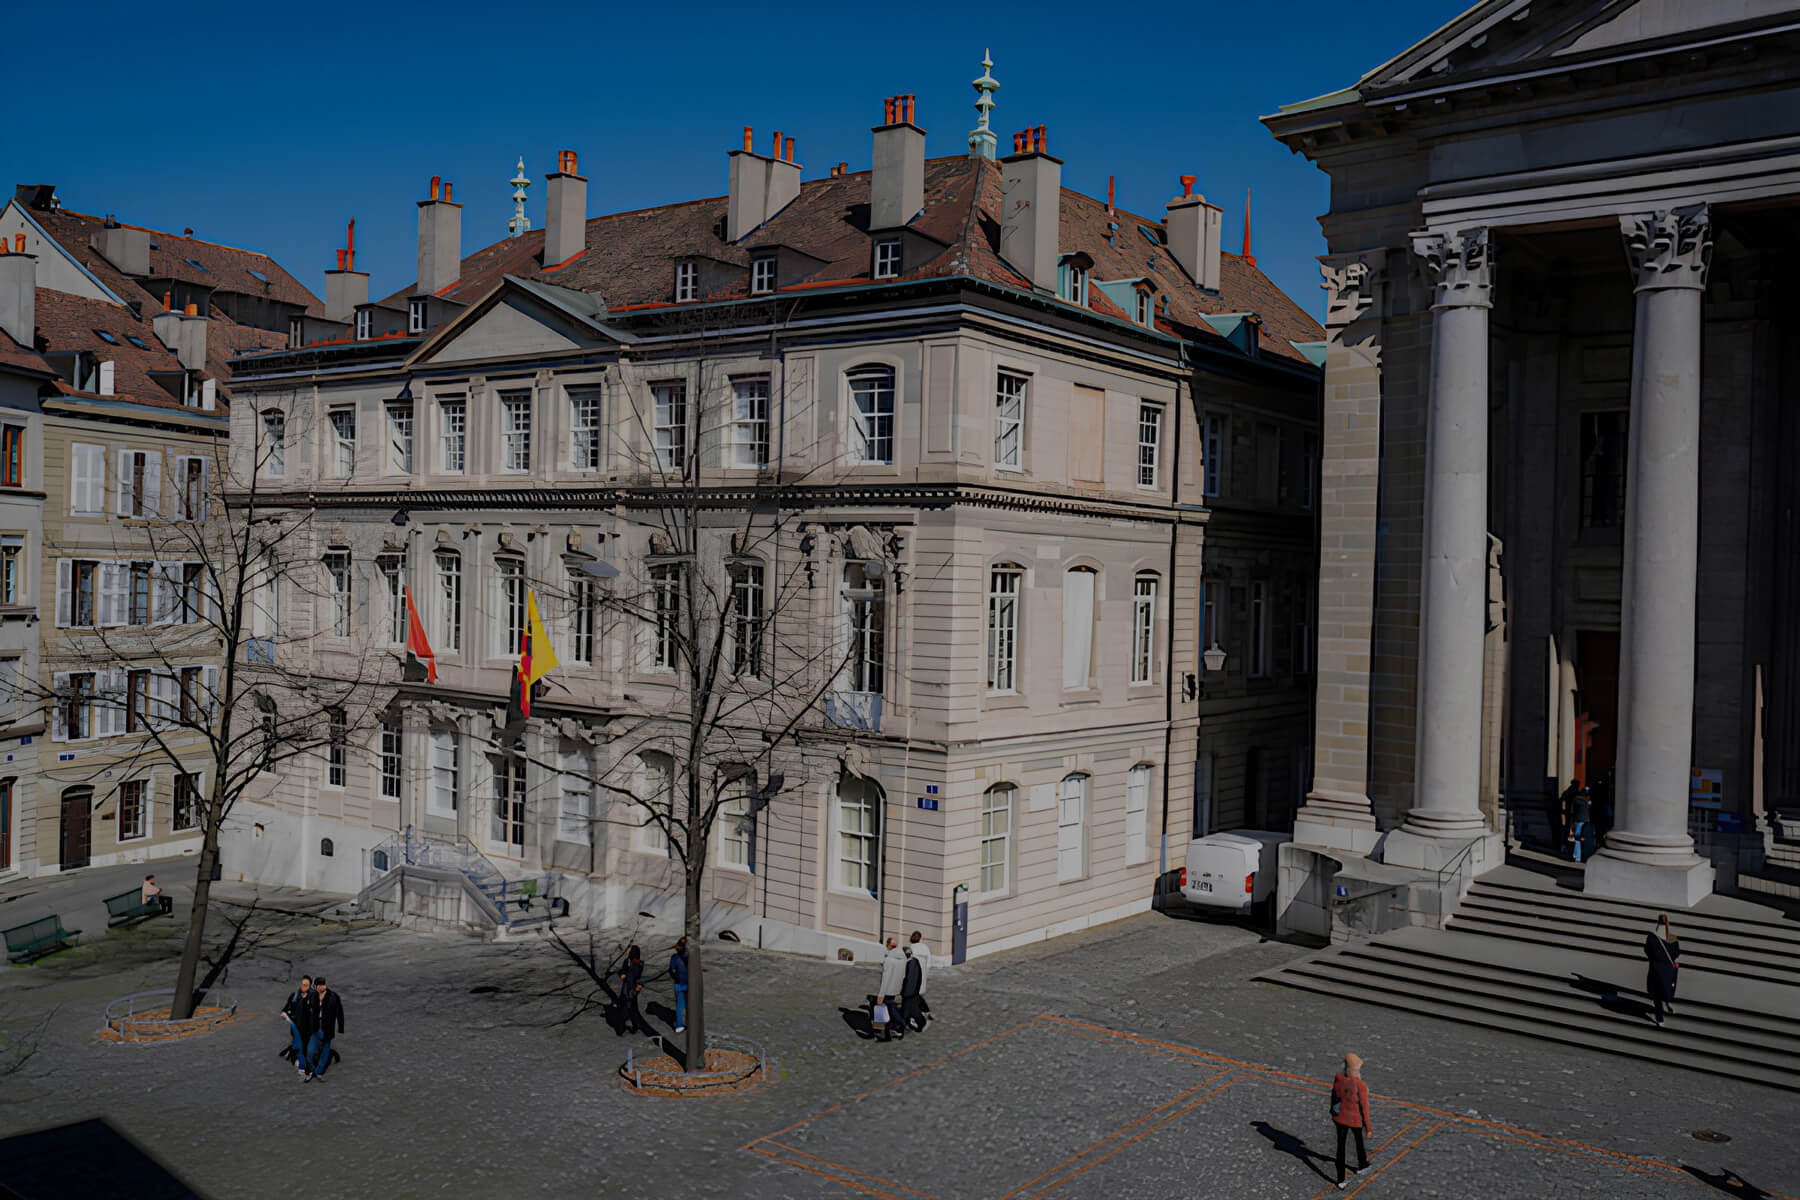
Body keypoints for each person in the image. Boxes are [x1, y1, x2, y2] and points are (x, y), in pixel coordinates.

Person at [1330, 1052, 1372, 1190]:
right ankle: (1362, 1165)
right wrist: (1369, 1127)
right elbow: (1364, 1108)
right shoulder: (1360, 1086)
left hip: (1340, 1118)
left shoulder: (1338, 1080)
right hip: (1355, 1119)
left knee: (1340, 1148)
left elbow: (1334, 1097)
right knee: (1358, 1141)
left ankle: (1341, 1180)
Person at [1645, 913, 1680, 1026]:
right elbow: (1676, 954)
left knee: (1656, 995)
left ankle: (1660, 1019)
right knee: (1667, 988)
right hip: (1668, 970)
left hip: (1655, 969)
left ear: (1657, 923)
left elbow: (1647, 951)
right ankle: (1668, 1004)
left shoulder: (1651, 938)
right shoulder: (1673, 939)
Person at [307, 976, 344, 1081]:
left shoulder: (333, 996)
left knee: (325, 1050)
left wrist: (340, 1027)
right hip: (315, 1027)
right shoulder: (312, 995)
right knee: (310, 1051)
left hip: (327, 1028)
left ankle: (318, 1072)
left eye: (319, 986)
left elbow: (339, 1012)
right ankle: (312, 1070)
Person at [279, 975, 316, 1077]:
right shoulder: (294, 996)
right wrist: (283, 1013)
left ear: (310, 986)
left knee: (307, 1049)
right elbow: (286, 1008)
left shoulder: (314, 997)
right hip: (296, 1028)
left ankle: (305, 1067)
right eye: (303, 984)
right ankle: (301, 1068)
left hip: (309, 1030)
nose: (304, 986)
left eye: (306, 985)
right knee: (300, 1049)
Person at [876, 937, 906, 1042]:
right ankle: (889, 1031)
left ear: (888, 946)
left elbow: (885, 979)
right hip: (896, 988)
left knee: (890, 1011)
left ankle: (901, 1025)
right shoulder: (902, 958)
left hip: (888, 989)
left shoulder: (889, 960)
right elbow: (903, 975)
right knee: (890, 1010)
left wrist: (880, 995)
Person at [621, 945, 647, 1036]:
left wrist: (633, 990)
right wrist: (623, 974)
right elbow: (624, 970)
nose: (627, 951)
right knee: (632, 1006)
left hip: (630, 989)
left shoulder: (635, 965)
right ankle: (634, 1024)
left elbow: (632, 978)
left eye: (629, 950)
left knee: (630, 1007)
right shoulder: (630, 962)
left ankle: (633, 1026)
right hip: (630, 987)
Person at [909, 930, 933, 1026]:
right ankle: (926, 1011)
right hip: (923, 974)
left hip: (915, 975)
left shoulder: (911, 948)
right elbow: (929, 962)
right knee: (918, 994)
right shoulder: (925, 947)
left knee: (914, 996)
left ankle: (918, 1014)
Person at [900, 945, 924, 1034]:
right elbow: (918, 977)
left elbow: (907, 980)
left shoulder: (908, 964)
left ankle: (902, 1028)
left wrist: (903, 992)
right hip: (914, 992)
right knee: (911, 1010)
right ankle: (917, 1024)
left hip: (908, 993)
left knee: (907, 1011)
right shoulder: (915, 961)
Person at [669, 937, 689, 1034]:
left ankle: (679, 1025)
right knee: (691, 1006)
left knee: (680, 1007)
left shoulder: (675, 958)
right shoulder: (691, 957)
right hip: (690, 985)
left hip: (679, 985)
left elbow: (671, 971)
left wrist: (676, 978)